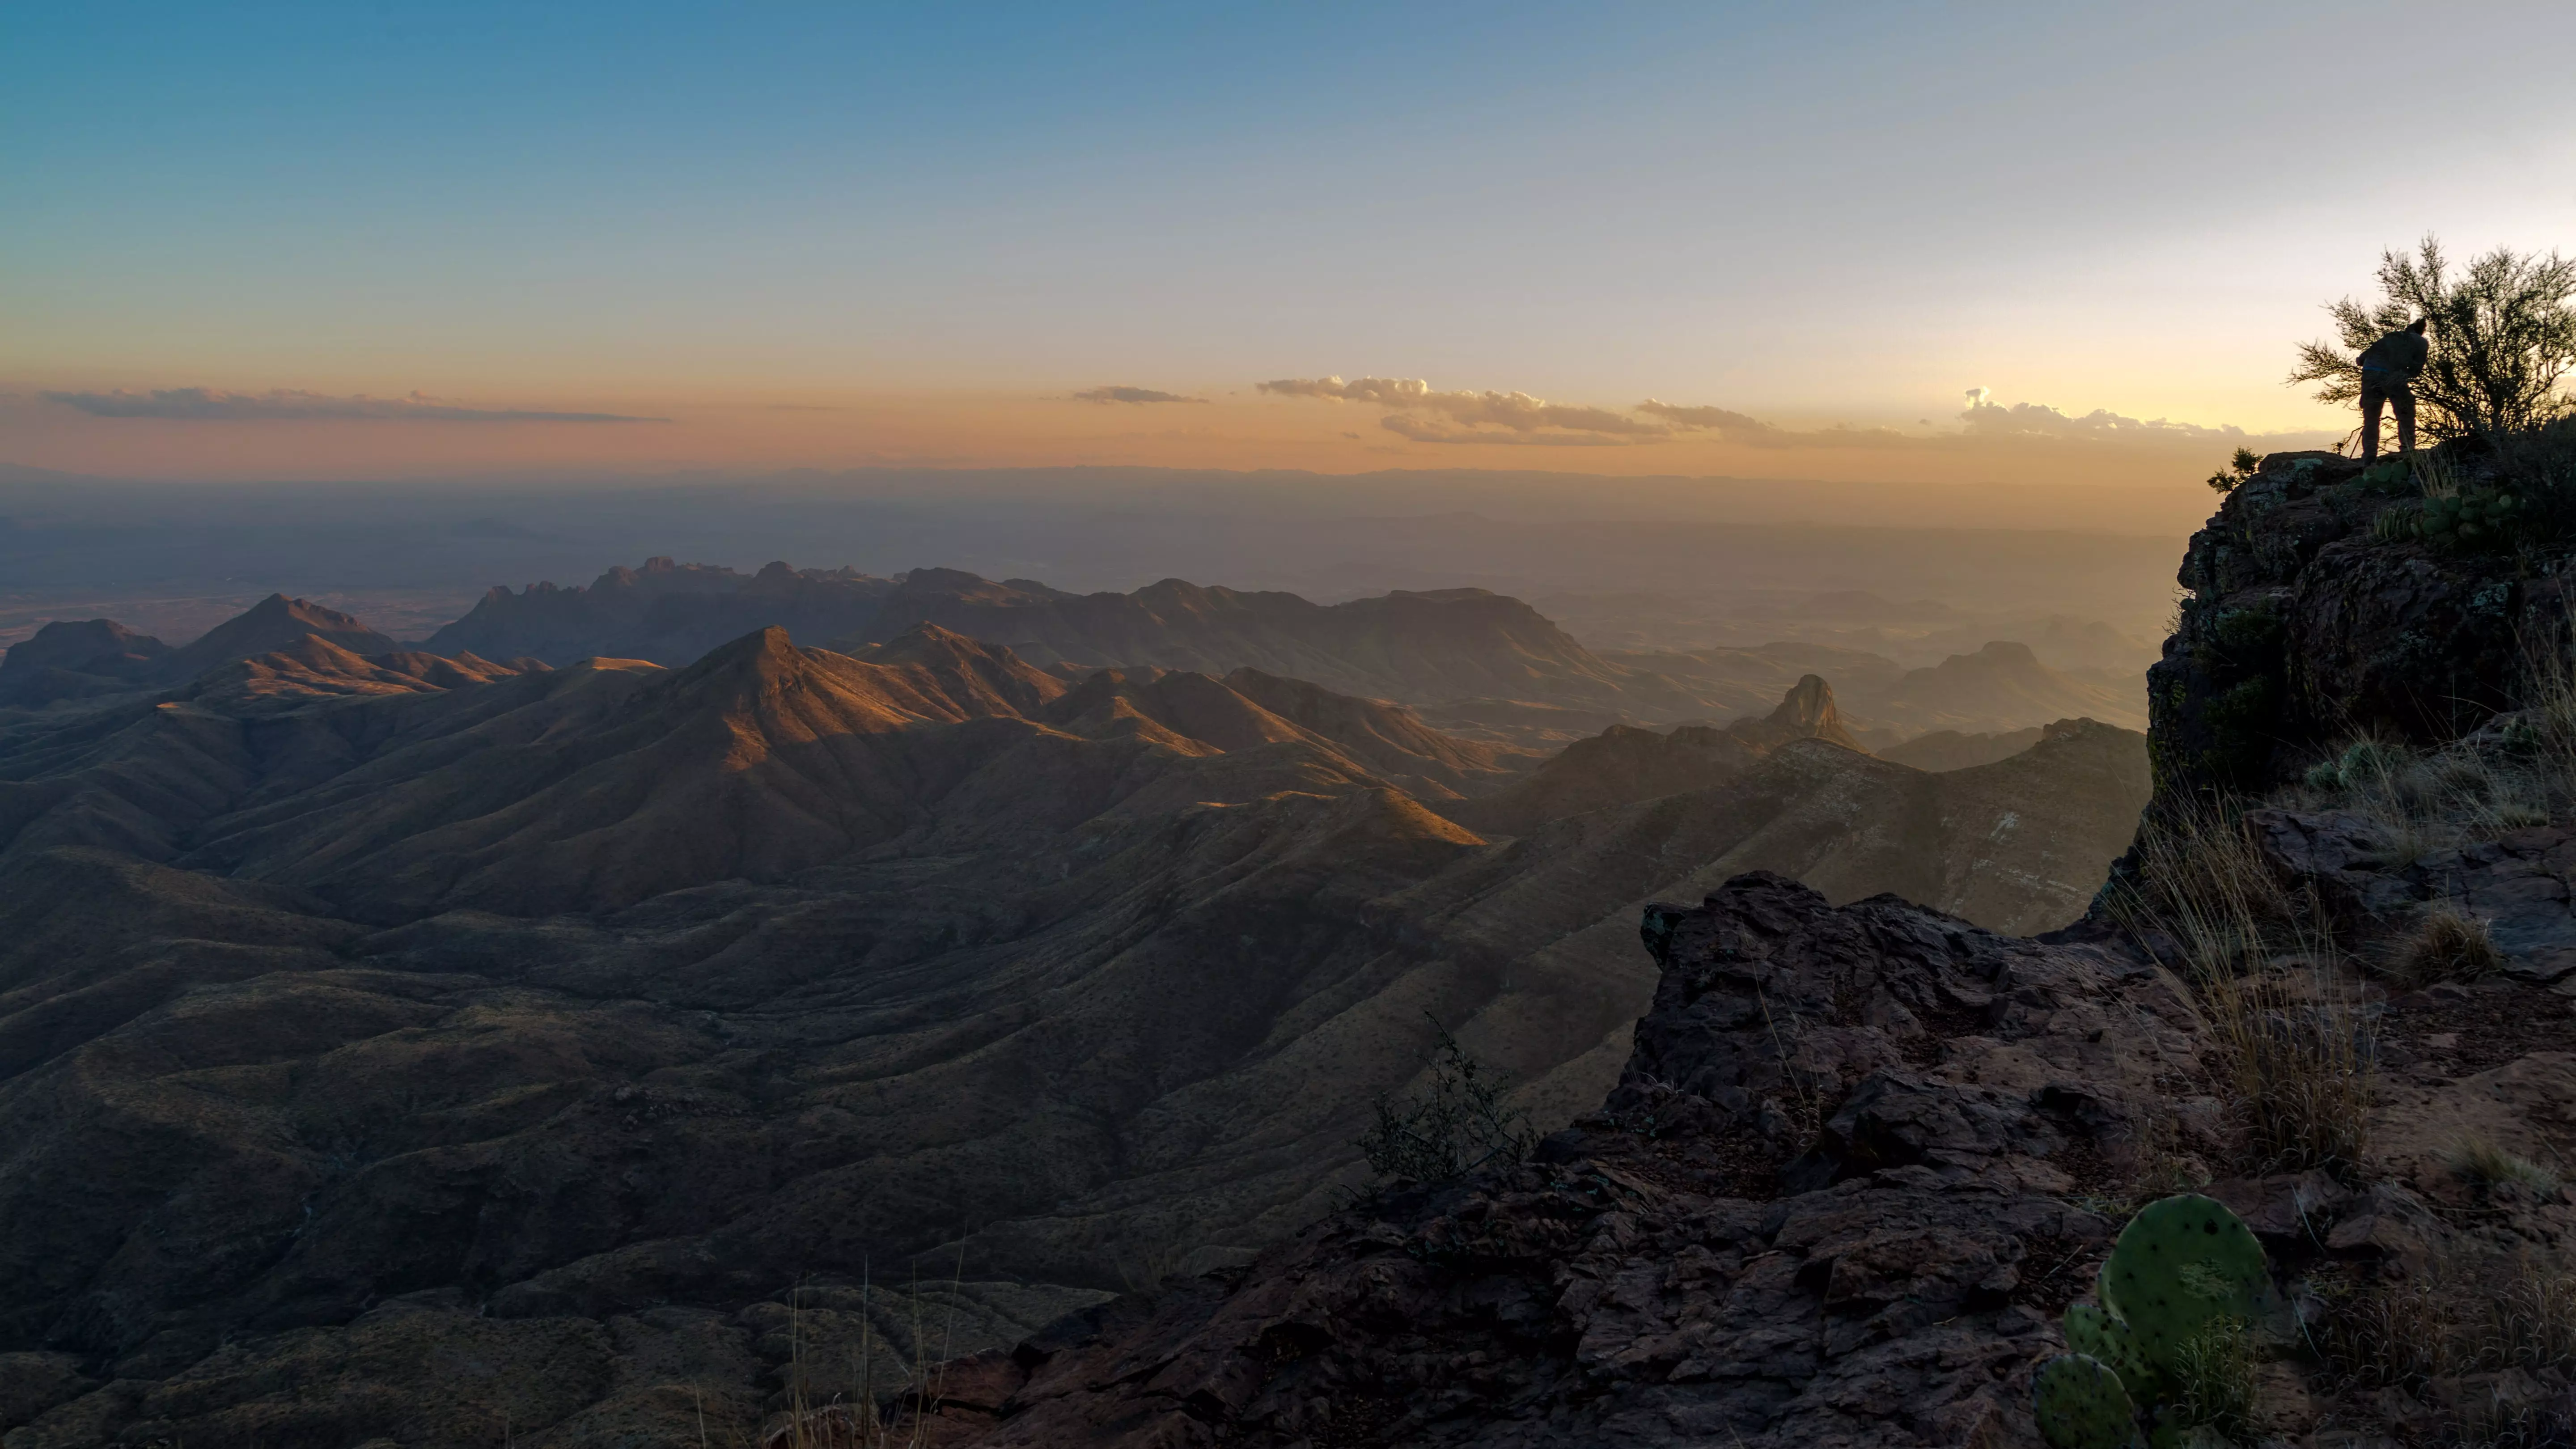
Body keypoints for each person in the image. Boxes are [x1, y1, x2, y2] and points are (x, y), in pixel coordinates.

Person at [2356, 318, 2429, 461]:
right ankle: (2407, 451)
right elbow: (2416, 371)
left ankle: (2369, 457)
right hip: (2393, 376)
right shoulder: (2421, 342)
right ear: (2421, 332)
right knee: (2406, 412)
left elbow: (2360, 360)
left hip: (2370, 374)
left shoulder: (2391, 337)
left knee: (2371, 418)